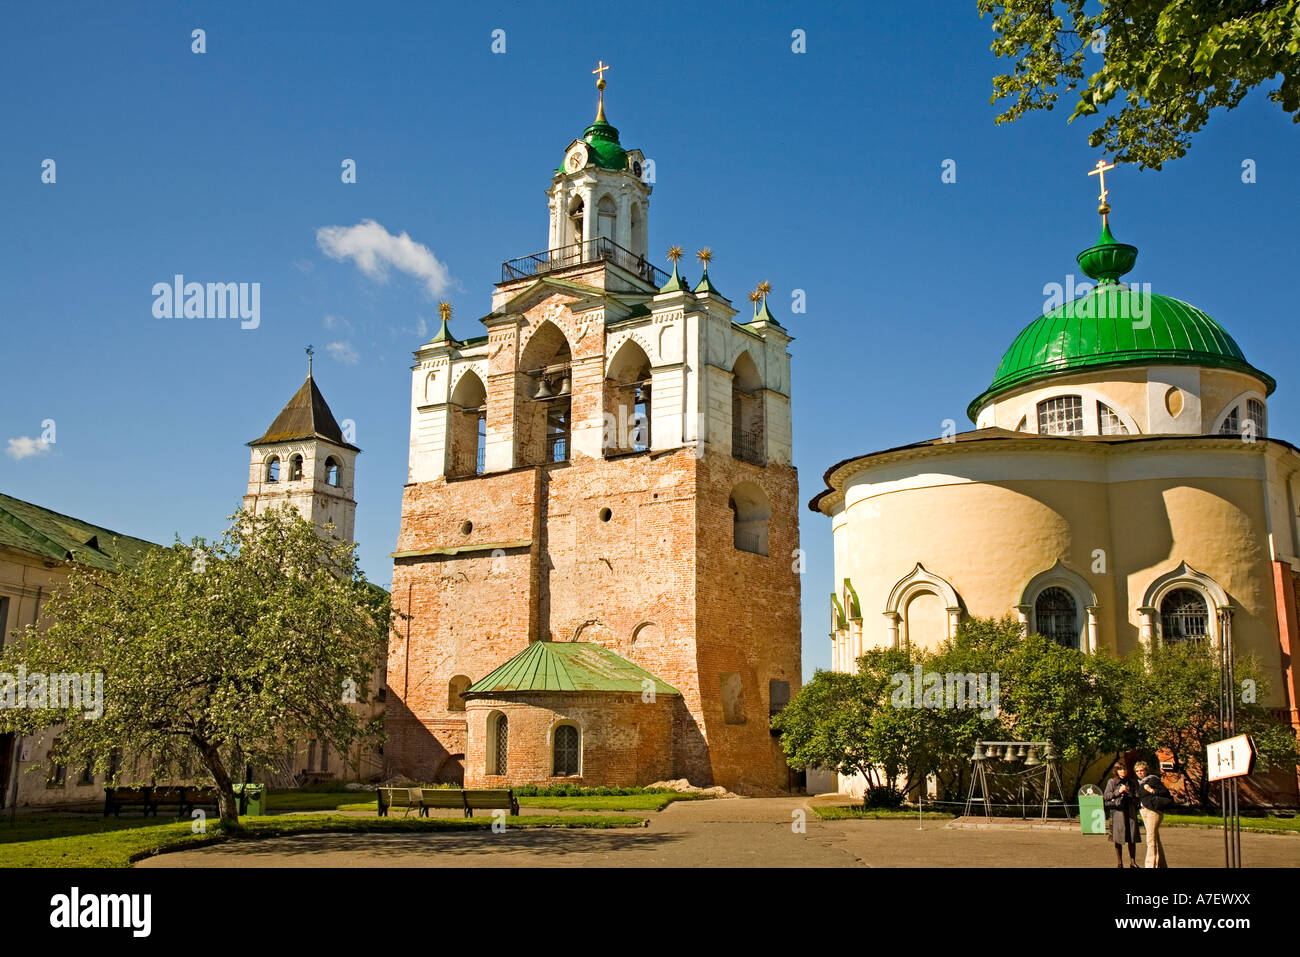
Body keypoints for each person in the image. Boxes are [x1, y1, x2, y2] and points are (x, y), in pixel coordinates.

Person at [1134, 760, 1174, 868]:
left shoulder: (1152, 779)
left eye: (1141, 770)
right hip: (1144, 811)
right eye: (1137, 771)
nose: (1139, 773)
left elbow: (1165, 792)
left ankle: (1150, 865)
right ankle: (1162, 864)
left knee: (1150, 839)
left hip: (1154, 811)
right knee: (1155, 838)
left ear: (1146, 770)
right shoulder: (1140, 782)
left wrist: (1152, 790)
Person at [1103, 763, 1141, 867]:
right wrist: (1118, 792)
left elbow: (1137, 797)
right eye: (1120, 770)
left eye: (1124, 769)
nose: (1123, 771)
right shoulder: (1112, 782)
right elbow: (1106, 796)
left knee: (1132, 838)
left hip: (1130, 811)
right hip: (1118, 812)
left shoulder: (1131, 782)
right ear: (1116, 771)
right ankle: (1120, 862)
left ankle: (1133, 862)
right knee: (1118, 838)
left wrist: (1128, 792)